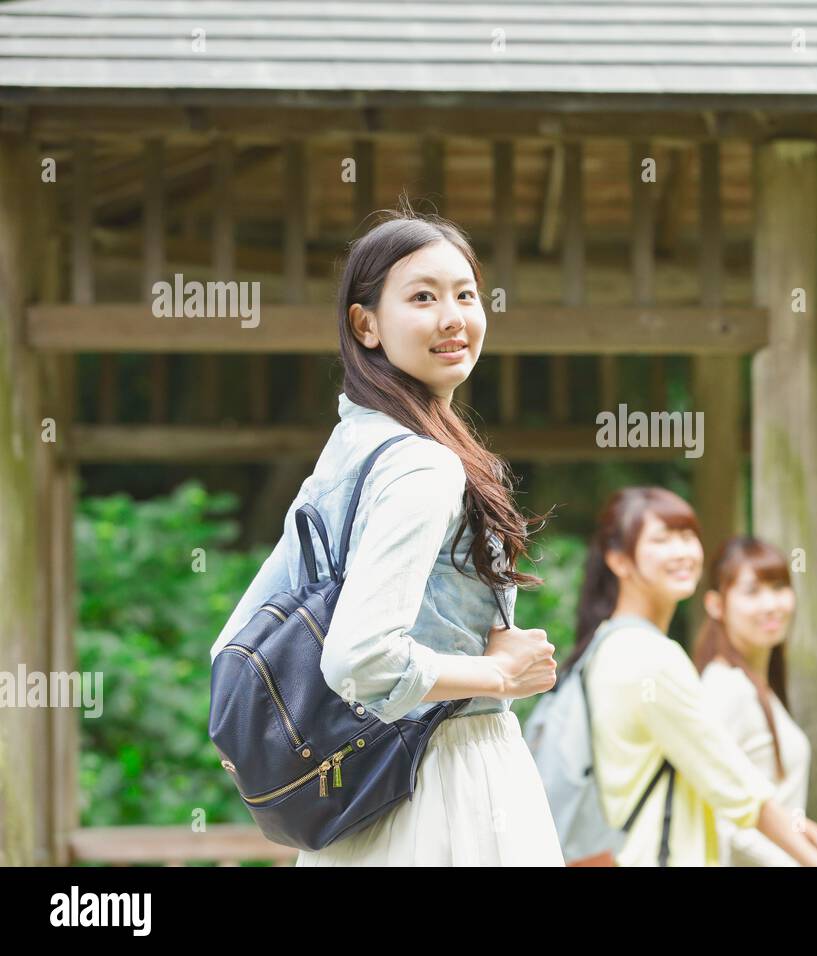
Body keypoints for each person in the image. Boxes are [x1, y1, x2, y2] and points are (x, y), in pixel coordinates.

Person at [209, 202, 563, 866]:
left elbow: (233, 645)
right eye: (422, 297)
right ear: (365, 324)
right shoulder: (421, 465)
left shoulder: (348, 451)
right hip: (445, 789)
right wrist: (496, 672)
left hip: (363, 800)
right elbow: (358, 659)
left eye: (465, 294)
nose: (453, 317)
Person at [573, 486, 817, 866]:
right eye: (661, 540)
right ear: (619, 560)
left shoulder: (606, 646)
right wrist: (813, 861)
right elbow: (737, 790)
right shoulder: (652, 658)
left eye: (687, 536)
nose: (682, 551)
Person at [695, 535, 817, 866]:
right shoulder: (726, 687)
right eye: (753, 591)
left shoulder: (757, 687)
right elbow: (721, 818)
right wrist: (809, 862)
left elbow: (766, 802)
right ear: (716, 605)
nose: (771, 604)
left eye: (779, 587)